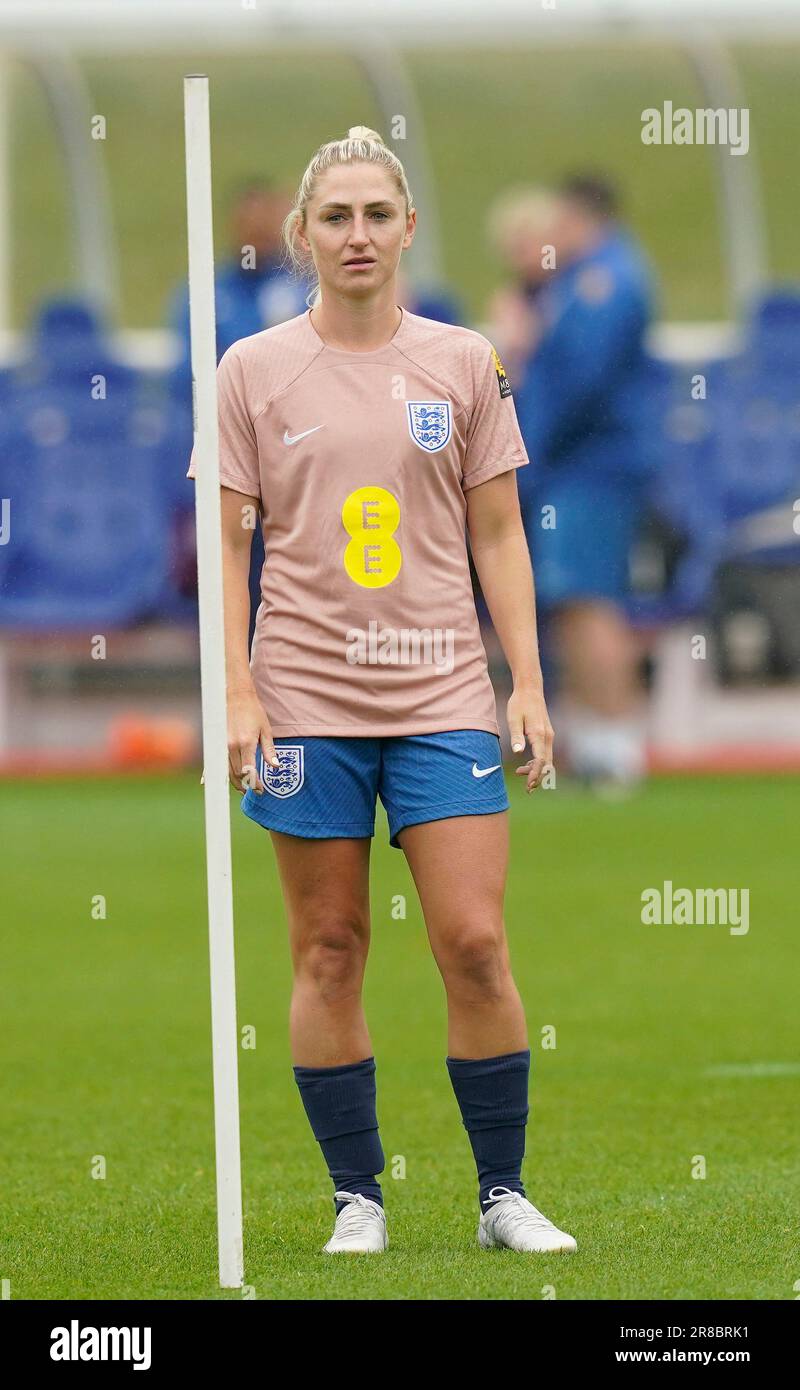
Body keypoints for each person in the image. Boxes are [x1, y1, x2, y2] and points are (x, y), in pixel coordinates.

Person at [187, 126, 576, 1257]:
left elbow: (497, 532)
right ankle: (358, 1196)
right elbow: (225, 545)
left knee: (472, 941)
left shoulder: (460, 361)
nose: (356, 234)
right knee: (328, 948)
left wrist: (527, 684)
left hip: (442, 691)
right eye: (334, 216)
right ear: (302, 236)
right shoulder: (250, 369)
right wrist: (239, 692)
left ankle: (500, 1193)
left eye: (375, 214)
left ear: (406, 228)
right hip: (305, 698)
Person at [495, 174, 657, 789]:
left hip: (593, 468)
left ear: (580, 218)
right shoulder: (577, 283)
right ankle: (596, 739)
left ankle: (617, 744)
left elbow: (579, 383)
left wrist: (526, 441)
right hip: (578, 469)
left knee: (591, 601)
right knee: (572, 600)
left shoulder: (602, 282)